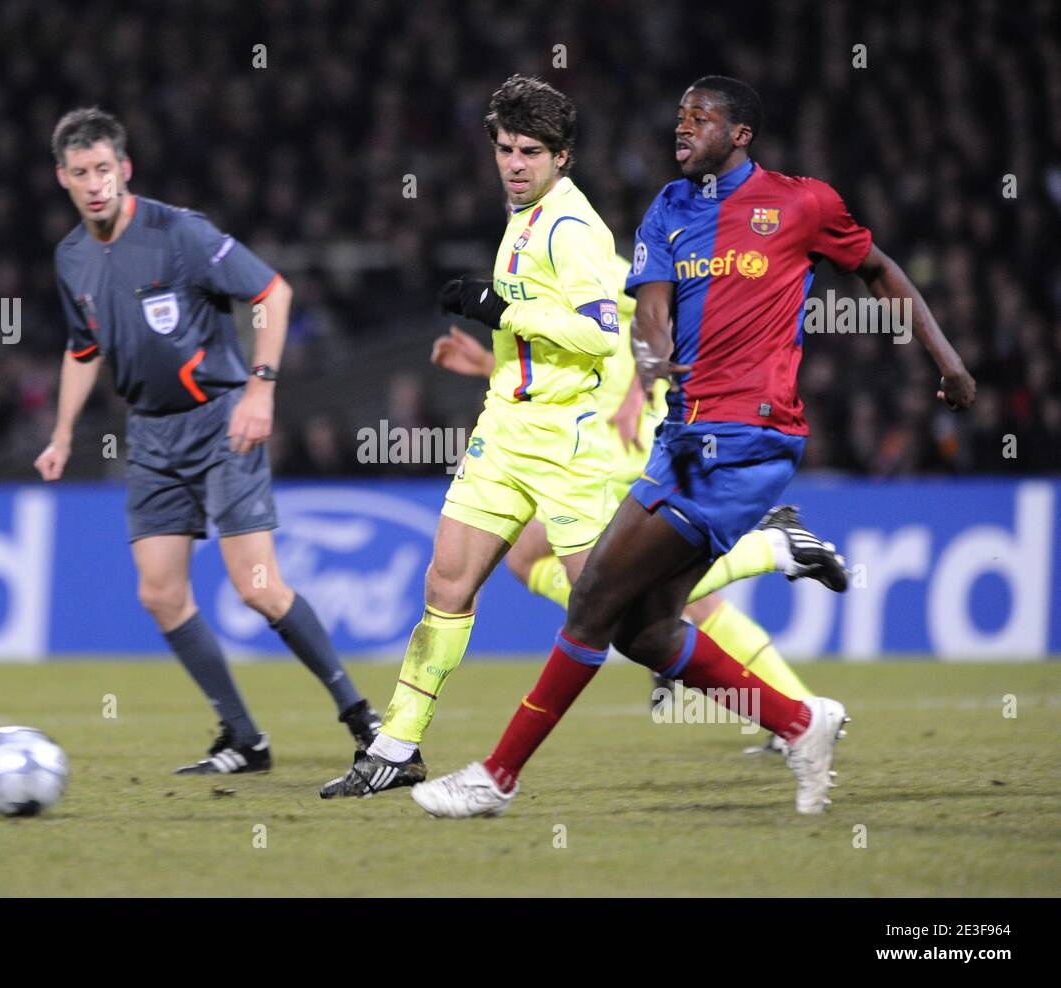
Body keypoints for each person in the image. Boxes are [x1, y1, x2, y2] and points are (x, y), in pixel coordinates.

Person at [411, 75, 976, 818]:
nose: (682, 128)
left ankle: (497, 777)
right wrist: (649, 357)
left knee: (593, 601)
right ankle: (803, 722)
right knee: (646, 632)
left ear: (740, 134)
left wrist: (947, 360)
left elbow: (878, 269)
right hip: (681, 438)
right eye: (679, 117)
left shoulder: (802, 203)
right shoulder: (668, 210)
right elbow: (648, 310)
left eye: (700, 118)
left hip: (749, 439)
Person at [320, 76, 842, 801]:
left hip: (568, 442)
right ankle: (397, 743)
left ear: (562, 157)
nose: (514, 163)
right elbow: (535, 337)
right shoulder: (521, 218)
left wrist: (498, 313)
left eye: (530, 151)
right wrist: (491, 353)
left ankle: (772, 557)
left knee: (620, 611)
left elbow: (603, 333)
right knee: (447, 580)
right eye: (504, 148)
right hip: (505, 431)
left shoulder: (573, 228)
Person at [35, 107, 380, 775]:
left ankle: (361, 717)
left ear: (125, 169)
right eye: (81, 174)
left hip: (221, 420)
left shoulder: (179, 232)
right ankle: (245, 738)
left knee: (256, 585)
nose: (96, 183)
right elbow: (83, 350)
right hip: (151, 434)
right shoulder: (71, 258)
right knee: (160, 594)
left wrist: (260, 388)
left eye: (105, 169)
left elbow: (272, 295)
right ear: (63, 179)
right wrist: (61, 432)